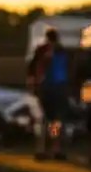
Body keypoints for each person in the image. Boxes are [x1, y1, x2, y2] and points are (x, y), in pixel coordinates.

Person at [27, 28, 72, 160]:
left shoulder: (42, 50)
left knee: (45, 120)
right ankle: (54, 148)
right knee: (55, 121)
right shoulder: (61, 51)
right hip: (57, 87)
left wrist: (33, 86)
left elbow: (32, 70)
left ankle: (42, 149)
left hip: (47, 88)